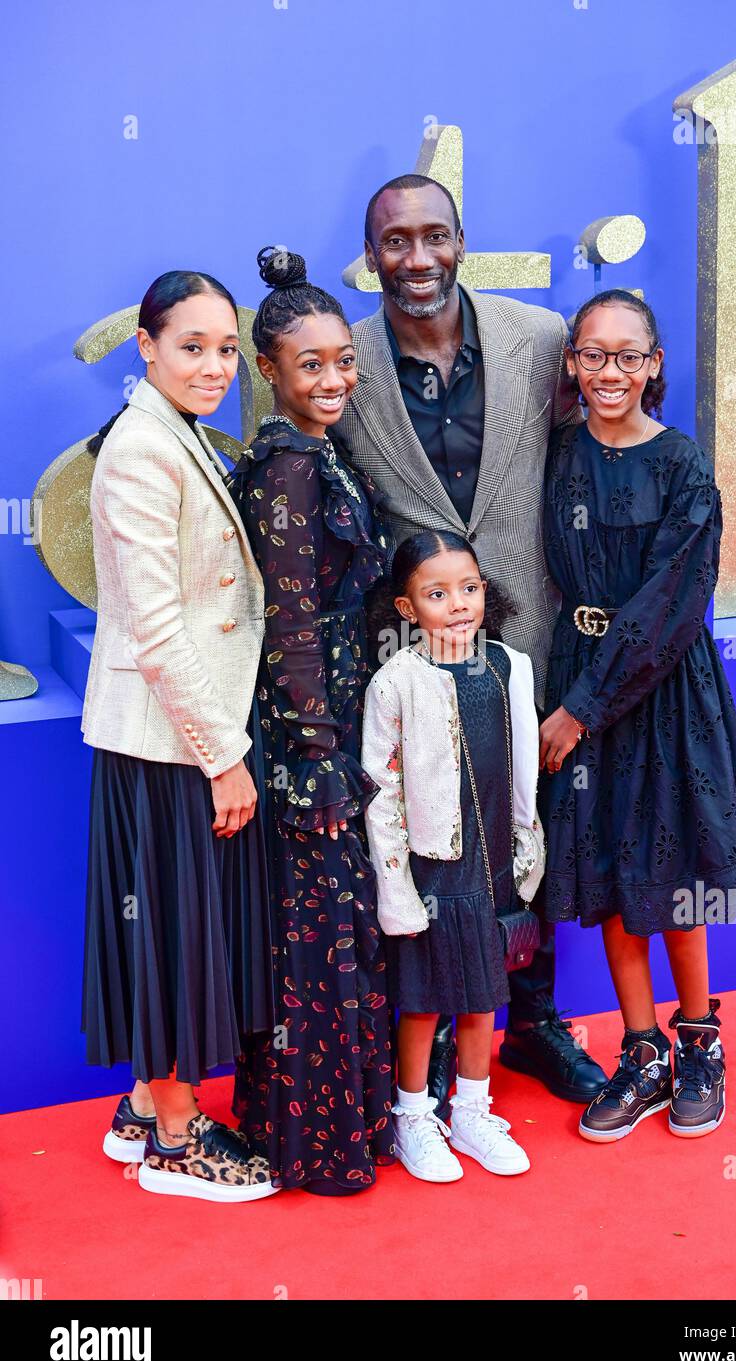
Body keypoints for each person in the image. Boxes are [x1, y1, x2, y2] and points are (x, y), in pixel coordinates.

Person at [331, 173, 607, 1113]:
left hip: (525, 635)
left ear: (462, 239)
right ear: (371, 256)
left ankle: (528, 1024)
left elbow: (587, 464)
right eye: (394, 242)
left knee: (525, 828)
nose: (416, 259)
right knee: (427, 838)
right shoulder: (346, 359)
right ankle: (433, 1037)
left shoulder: (536, 341)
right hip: (409, 658)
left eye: (433, 236)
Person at [540, 288, 736, 1142]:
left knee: (673, 881)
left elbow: (674, 602)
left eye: (629, 355)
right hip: (577, 675)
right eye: (593, 354)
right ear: (572, 363)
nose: (610, 372)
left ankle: (699, 1043)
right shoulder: (558, 456)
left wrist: (581, 711)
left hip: (662, 688)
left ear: (655, 363)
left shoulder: (682, 465)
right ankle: (640, 1054)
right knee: (605, 876)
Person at [82, 270, 277, 1201]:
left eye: (227, 349)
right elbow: (158, 631)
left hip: (180, 736)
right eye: (192, 346)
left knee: (169, 927)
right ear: (146, 347)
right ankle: (175, 1136)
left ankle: (141, 1104)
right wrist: (226, 757)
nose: (214, 366)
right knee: (168, 929)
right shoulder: (139, 452)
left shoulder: (175, 434)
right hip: (168, 745)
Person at [227, 248, 395, 1194]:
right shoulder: (287, 466)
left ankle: (334, 1129)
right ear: (270, 372)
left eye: (343, 360)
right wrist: (319, 755)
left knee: (333, 928)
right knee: (319, 933)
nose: (333, 379)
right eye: (311, 366)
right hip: (306, 736)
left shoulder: (310, 449)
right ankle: (317, 1146)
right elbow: (289, 621)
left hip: (328, 716)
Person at [361, 530, 545, 1182]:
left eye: (468, 588)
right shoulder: (396, 683)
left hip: (494, 860)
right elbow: (381, 793)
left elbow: (523, 769)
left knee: (481, 996)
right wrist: (396, 887)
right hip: (433, 871)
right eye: (437, 594)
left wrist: (527, 849)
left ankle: (471, 1109)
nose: (458, 603)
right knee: (422, 999)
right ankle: (414, 1116)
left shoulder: (509, 666)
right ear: (408, 609)